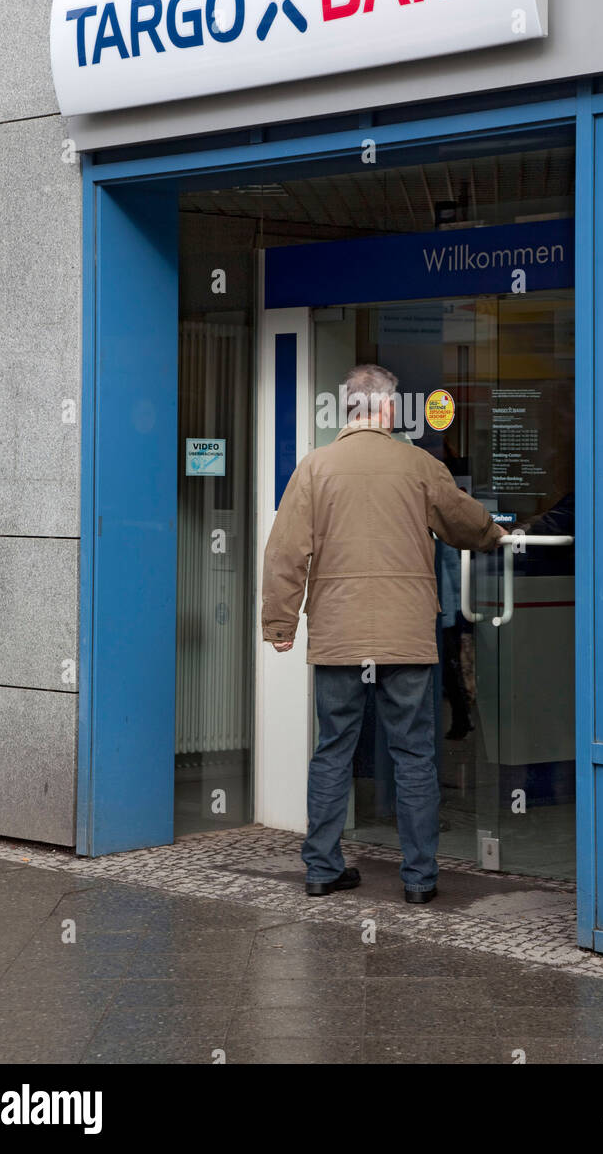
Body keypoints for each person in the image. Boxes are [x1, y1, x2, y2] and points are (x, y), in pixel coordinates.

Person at [261, 364, 505, 904]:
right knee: (415, 754)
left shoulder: (315, 469)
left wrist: (281, 623)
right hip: (406, 637)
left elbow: (283, 552)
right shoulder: (418, 465)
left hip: (339, 636)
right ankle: (419, 879)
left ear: (348, 407)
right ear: (389, 409)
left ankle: (322, 868)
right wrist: (497, 536)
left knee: (332, 750)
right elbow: (463, 522)